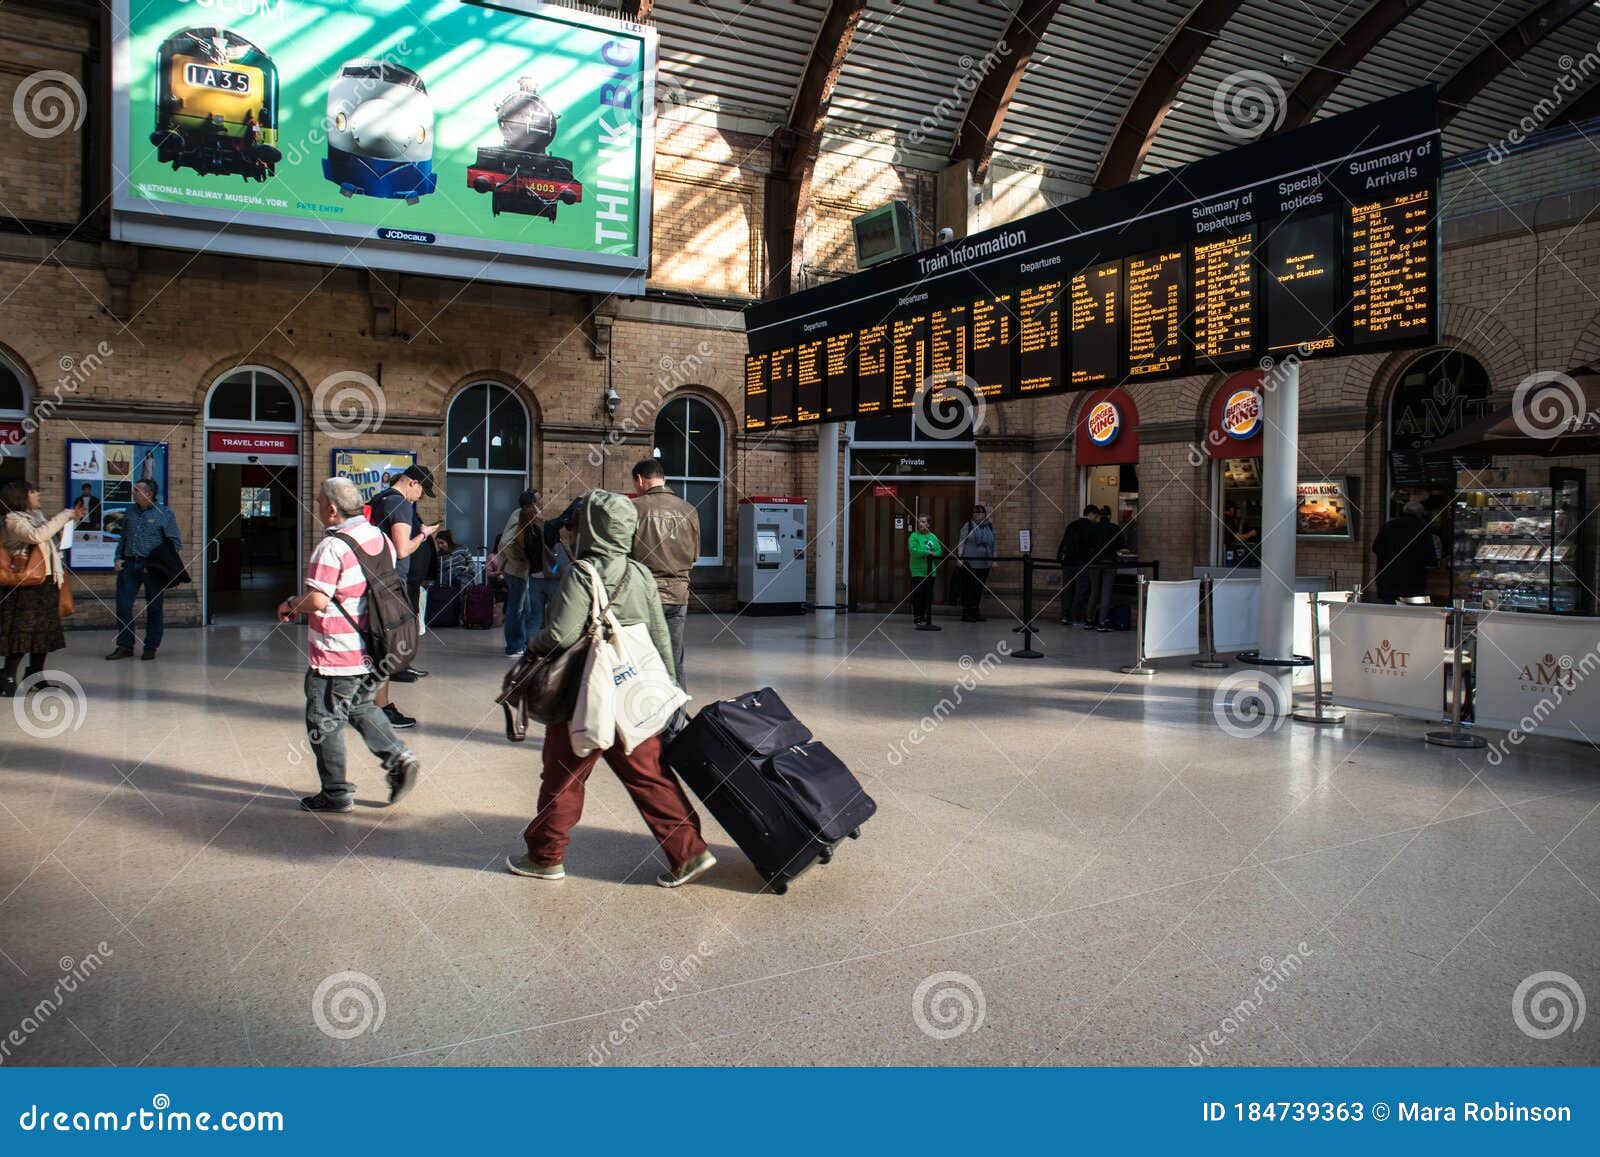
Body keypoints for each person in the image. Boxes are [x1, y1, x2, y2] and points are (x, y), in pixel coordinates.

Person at [507, 489, 716, 889]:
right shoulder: (640, 573)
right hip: (633, 691)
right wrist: (667, 690)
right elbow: (658, 634)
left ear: (593, 528)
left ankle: (545, 857)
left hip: (585, 695)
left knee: (564, 777)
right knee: (651, 774)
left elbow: (562, 634)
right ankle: (689, 852)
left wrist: (533, 646)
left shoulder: (582, 573)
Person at [277, 478, 421, 813]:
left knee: (323, 720)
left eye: (316, 502)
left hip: (336, 653)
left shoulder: (331, 547)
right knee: (360, 707)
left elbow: (317, 598)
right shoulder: (378, 537)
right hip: (372, 649)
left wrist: (289, 604)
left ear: (331, 508)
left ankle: (336, 792)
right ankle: (399, 758)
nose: (315, 507)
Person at [365, 465, 438, 726]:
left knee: (377, 645)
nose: (420, 497)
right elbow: (403, 549)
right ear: (413, 483)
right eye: (422, 491)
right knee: (386, 645)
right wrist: (423, 534)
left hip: (376, 579)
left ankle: (375, 704)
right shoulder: (400, 505)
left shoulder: (380, 498)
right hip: (390, 583)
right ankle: (379, 709)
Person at [0, 481, 84, 696]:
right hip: (26, 585)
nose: (37, 495)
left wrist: (72, 521)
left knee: (43, 634)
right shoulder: (13, 520)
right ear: (21, 496)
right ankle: (7, 676)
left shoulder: (38, 517)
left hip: (46, 581)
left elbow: (54, 543)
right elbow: (36, 537)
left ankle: (35, 675)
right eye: (32, 491)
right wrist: (64, 515)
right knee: (23, 632)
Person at [629, 458, 699, 683]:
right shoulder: (689, 510)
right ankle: (676, 716)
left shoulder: (634, 508)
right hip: (679, 596)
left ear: (640, 479)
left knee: (643, 661)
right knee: (674, 660)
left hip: (644, 595)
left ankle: (646, 712)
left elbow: (625, 555)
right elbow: (695, 555)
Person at [106, 479, 180, 661]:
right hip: (129, 564)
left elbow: (175, 542)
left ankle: (151, 646)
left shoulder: (165, 513)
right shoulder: (130, 512)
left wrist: (158, 562)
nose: (133, 494)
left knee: (154, 607)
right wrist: (118, 558)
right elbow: (123, 537)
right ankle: (125, 646)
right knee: (123, 605)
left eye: (137, 491)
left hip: (152, 568)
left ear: (149, 494)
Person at [495, 488, 547, 658]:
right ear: (531, 502)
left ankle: (522, 643)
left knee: (524, 608)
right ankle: (514, 646)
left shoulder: (522, 514)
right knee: (516, 609)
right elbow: (506, 542)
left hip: (520, 571)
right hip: (516, 571)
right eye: (538, 499)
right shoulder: (520, 514)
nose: (541, 501)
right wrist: (519, 559)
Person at [1372, 500, 1437, 604]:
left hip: (1388, 578)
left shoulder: (1388, 525)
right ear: (1420, 513)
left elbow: (1376, 548)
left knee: (1389, 608)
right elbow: (1429, 555)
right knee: (1410, 610)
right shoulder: (1422, 528)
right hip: (1412, 579)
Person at [1082, 505, 1122, 632]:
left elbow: (1086, 544)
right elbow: (1121, 545)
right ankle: (1102, 622)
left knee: (1094, 591)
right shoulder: (1115, 528)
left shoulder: (1092, 528)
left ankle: (1089, 620)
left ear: (1099, 515)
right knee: (1106, 593)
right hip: (1109, 562)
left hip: (1094, 563)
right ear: (1109, 516)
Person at [1056, 504, 1098, 625]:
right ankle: (1078, 617)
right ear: (1090, 514)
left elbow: (1064, 543)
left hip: (1068, 563)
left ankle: (1065, 615)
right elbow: (1092, 547)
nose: (1096, 520)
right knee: (1081, 590)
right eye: (1095, 517)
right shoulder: (1091, 527)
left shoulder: (1071, 525)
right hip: (1083, 563)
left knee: (1067, 589)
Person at [955, 502, 996, 623]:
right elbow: (961, 542)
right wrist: (960, 557)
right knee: (969, 589)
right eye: (974, 512)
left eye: (979, 512)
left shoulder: (989, 527)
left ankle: (975, 612)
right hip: (970, 563)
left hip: (984, 564)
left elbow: (993, 544)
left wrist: (994, 560)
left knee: (978, 589)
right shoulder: (968, 526)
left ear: (984, 514)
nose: (977, 514)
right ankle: (967, 613)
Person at [908, 514, 943, 631]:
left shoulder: (933, 537)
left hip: (930, 571)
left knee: (927, 595)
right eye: (920, 522)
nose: (921, 524)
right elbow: (914, 551)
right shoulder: (914, 536)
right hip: (917, 571)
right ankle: (917, 617)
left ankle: (924, 617)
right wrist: (927, 552)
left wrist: (932, 553)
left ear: (928, 524)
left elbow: (939, 552)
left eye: (923, 522)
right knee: (918, 594)